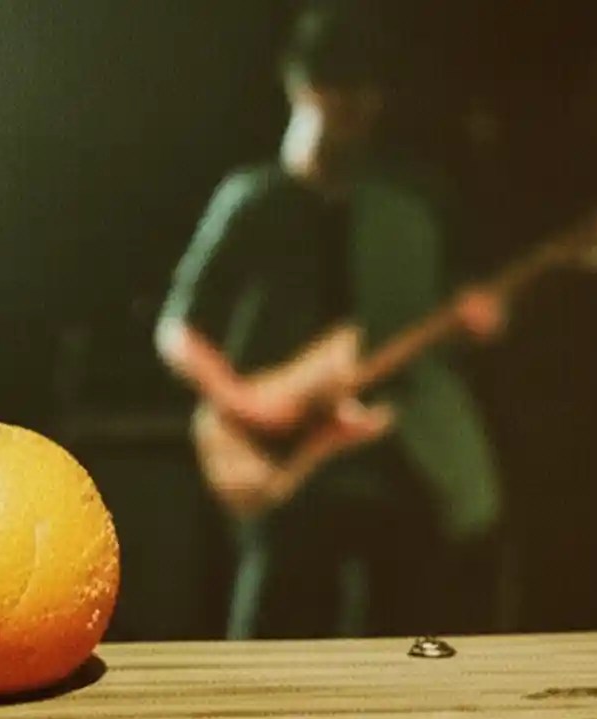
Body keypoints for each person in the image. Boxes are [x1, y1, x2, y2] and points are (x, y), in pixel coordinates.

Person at [155, 2, 506, 640]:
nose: (356, 105)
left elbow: (459, 310)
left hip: (398, 448)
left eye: (368, 87)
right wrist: (246, 402)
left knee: (414, 633)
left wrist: (477, 321)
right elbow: (179, 324)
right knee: (271, 635)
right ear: (300, 84)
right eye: (338, 84)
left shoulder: (412, 201)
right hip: (288, 463)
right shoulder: (253, 199)